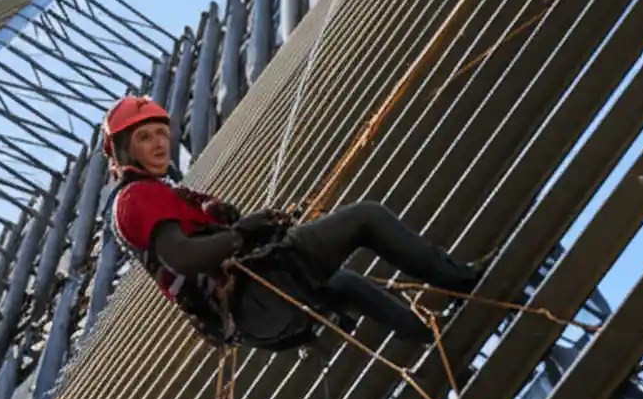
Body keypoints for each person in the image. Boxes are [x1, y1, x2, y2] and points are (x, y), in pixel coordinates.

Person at [104, 95, 481, 350]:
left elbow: (198, 251)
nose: (158, 144)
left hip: (255, 318)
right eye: (144, 137)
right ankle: (464, 283)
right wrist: (239, 236)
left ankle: (432, 338)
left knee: (345, 285)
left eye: (161, 134)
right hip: (258, 294)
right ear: (124, 150)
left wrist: (249, 230)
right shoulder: (137, 197)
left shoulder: (159, 198)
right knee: (366, 218)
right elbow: (183, 256)